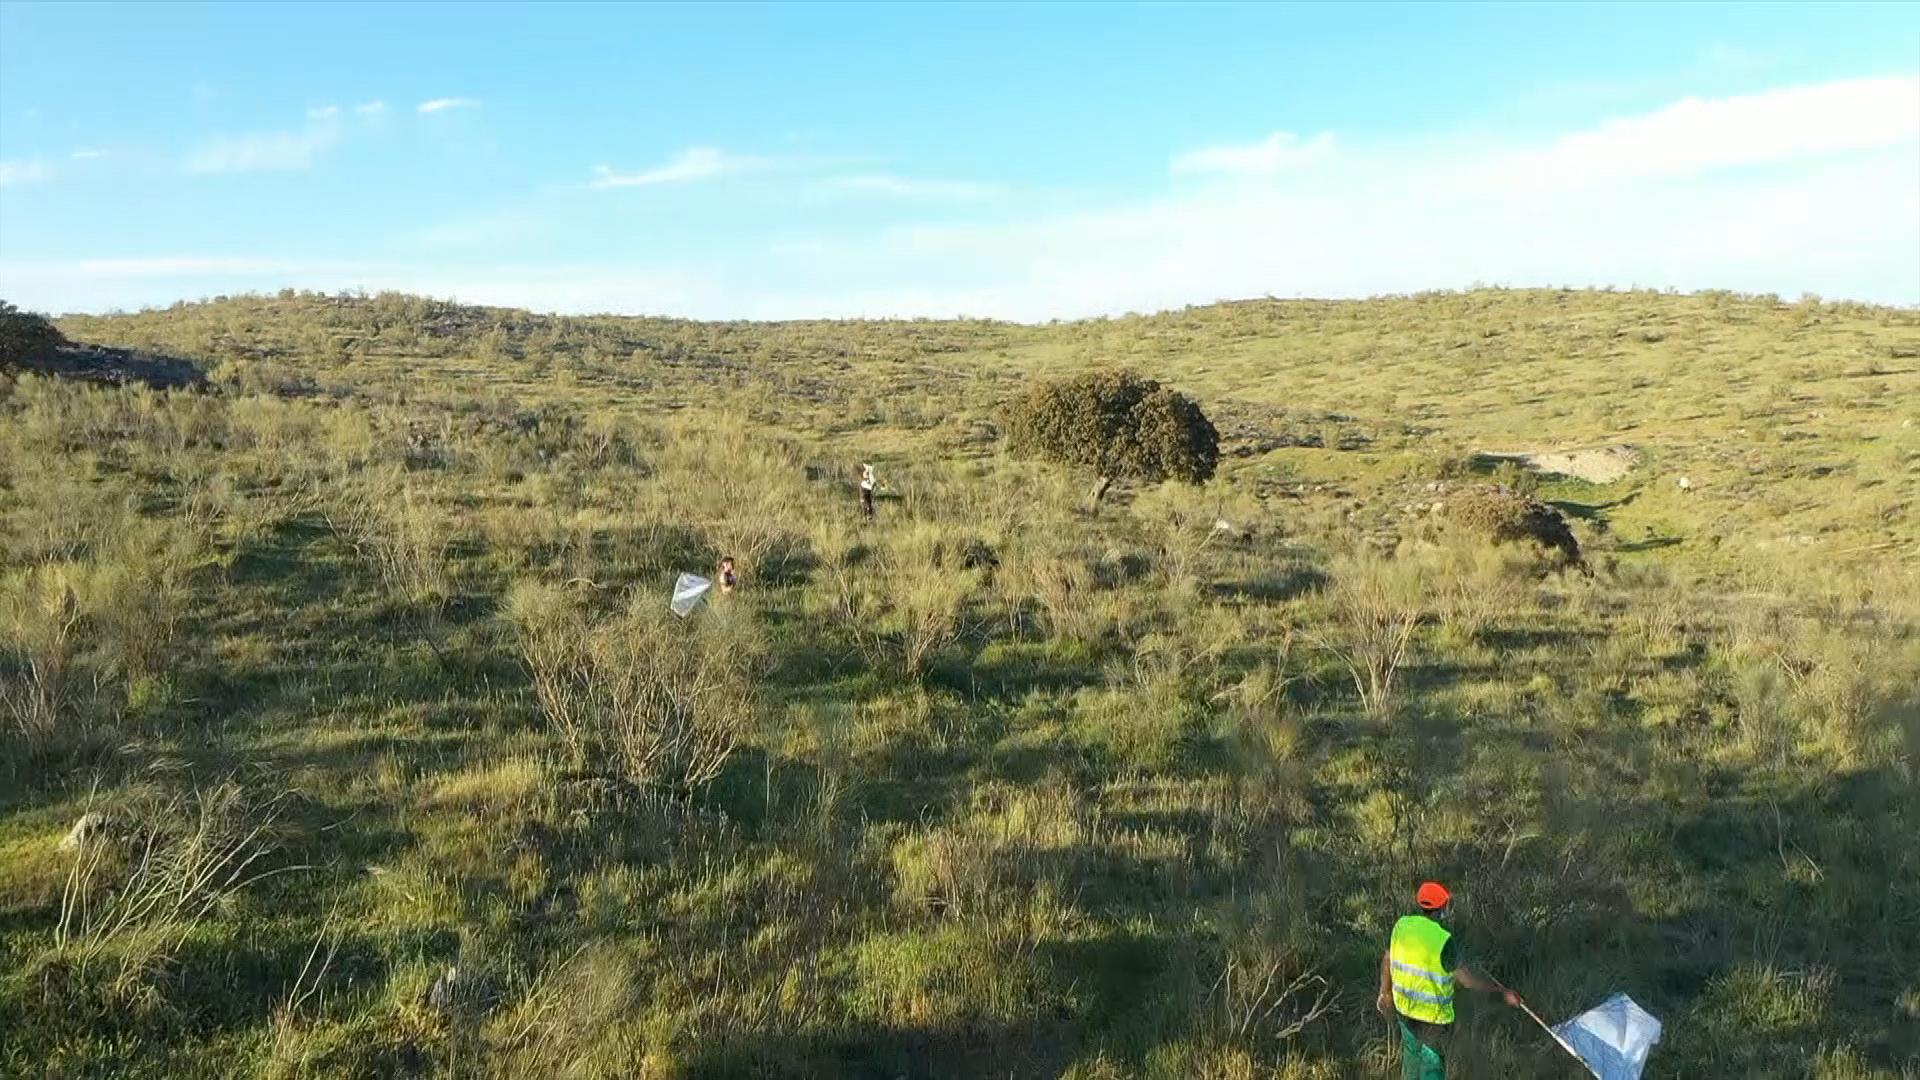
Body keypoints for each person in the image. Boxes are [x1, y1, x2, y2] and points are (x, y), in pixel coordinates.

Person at [1377, 881, 1523, 1080]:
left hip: (1404, 1010)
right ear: (1442, 907)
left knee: (1411, 1061)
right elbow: (1468, 981)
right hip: (1432, 1019)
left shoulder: (1402, 925)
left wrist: (1384, 993)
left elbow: (1387, 958)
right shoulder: (1443, 940)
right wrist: (1501, 992)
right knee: (1431, 1068)